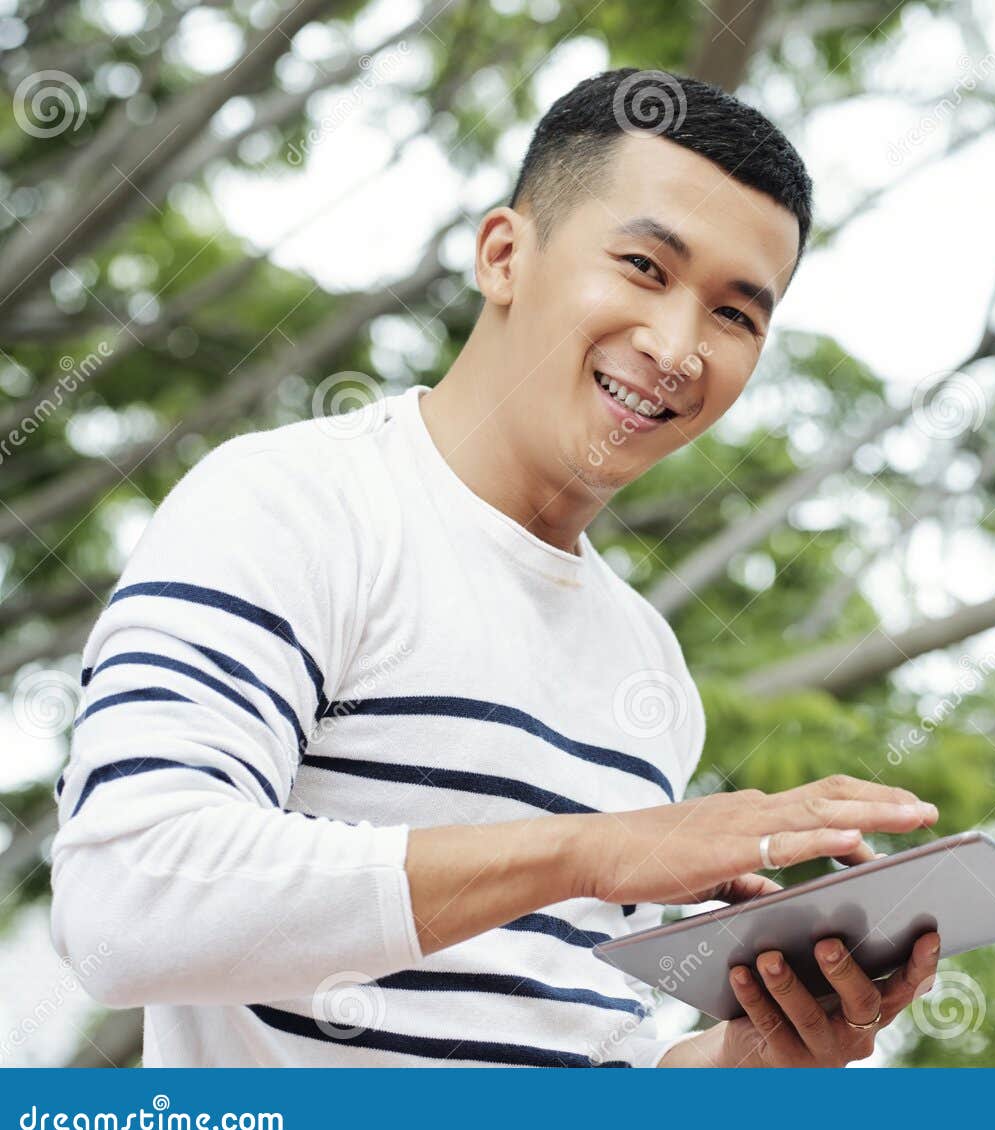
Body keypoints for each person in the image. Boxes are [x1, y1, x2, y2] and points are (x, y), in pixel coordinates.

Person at [48, 67, 942, 1068]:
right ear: (505, 256)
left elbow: (577, 1056)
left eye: (735, 314)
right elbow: (124, 902)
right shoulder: (291, 504)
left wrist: (758, 1056)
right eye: (645, 268)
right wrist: (590, 852)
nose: (679, 346)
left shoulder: (649, 667)